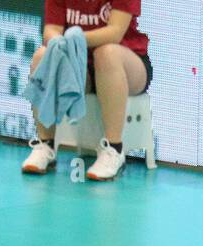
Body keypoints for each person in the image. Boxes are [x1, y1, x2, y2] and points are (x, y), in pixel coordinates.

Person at [22, 1, 152, 181]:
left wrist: (78, 38)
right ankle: (45, 145)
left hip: (127, 63)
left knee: (106, 53)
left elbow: (114, 33)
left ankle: (114, 149)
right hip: (80, 65)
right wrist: (60, 42)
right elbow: (51, 31)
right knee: (41, 56)